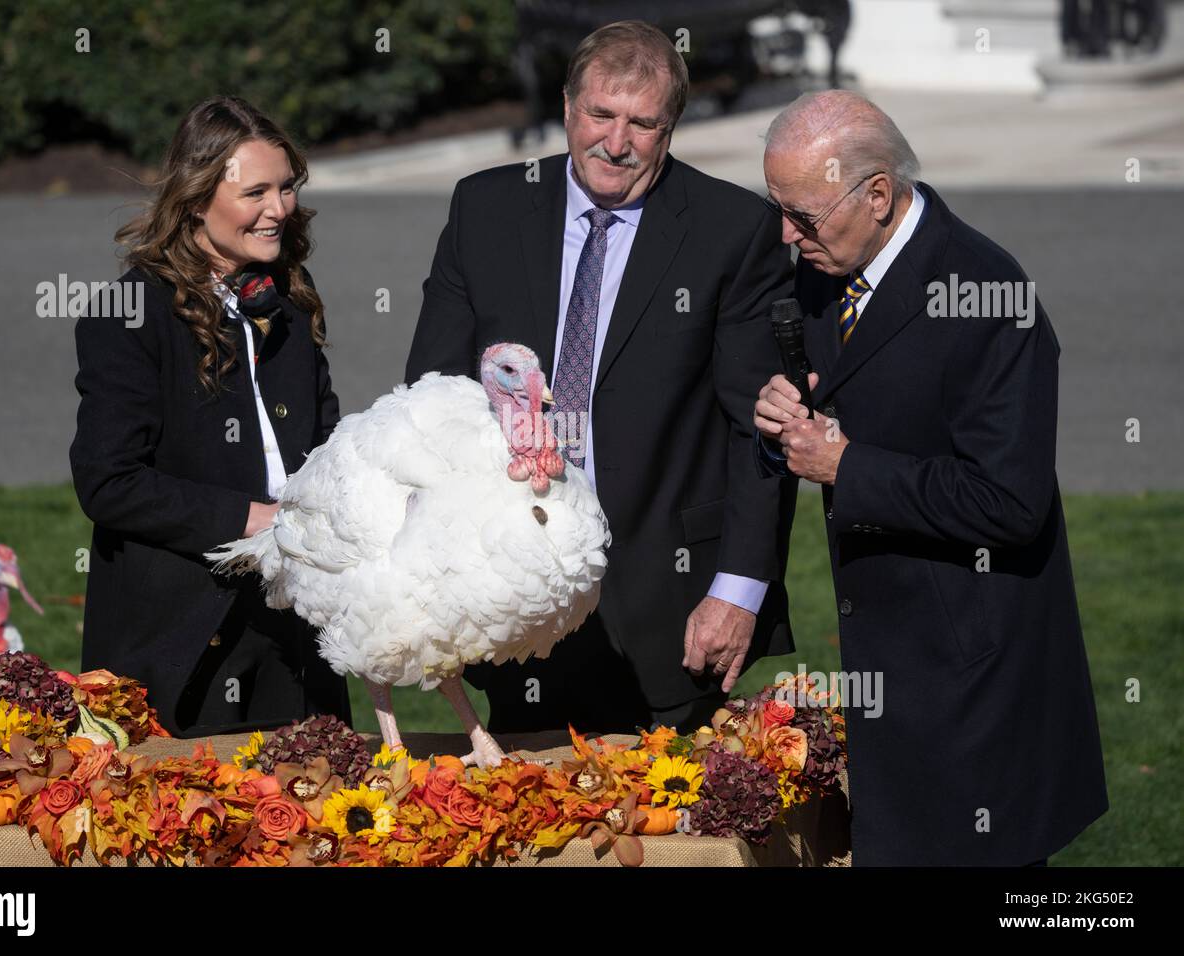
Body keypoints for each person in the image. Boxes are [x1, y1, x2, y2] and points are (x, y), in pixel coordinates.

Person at [405, 21, 797, 735]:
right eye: (601, 114)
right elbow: (433, 397)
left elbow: (761, 429)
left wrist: (738, 590)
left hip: (670, 603)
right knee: (522, 795)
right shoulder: (485, 209)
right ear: (566, 107)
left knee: (670, 802)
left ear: (670, 128)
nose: (616, 143)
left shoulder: (733, 231)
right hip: (510, 586)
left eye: (642, 124)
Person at [753, 90, 1108, 865]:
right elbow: (833, 394)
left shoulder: (988, 295)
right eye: (778, 208)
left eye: (802, 216)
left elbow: (1009, 502)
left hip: (973, 685)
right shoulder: (825, 267)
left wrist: (845, 465)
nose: (786, 235)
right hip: (889, 662)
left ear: (877, 195)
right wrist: (782, 418)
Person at [70, 95, 350, 737]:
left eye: (286, 187)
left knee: (316, 796)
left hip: (295, 625)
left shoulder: (288, 296)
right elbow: (108, 481)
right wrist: (255, 520)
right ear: (197, 199)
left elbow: (326, 440)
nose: (279, 209)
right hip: (182, 638)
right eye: (256, 193)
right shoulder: (130, 314)